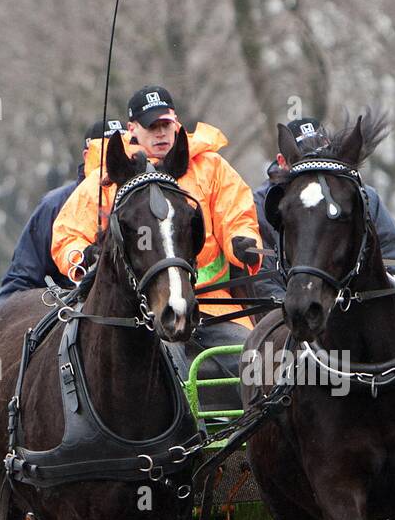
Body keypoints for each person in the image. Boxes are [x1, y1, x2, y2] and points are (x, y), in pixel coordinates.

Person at [51, 85, 263, 397]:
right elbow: (67, 234)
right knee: (165, 375)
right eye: (152, 127)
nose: (161, 134)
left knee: (257, 363)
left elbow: (237, 215)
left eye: (166, 125)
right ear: (133, 129)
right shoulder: (110, 176)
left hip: (215, 308)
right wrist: (81, 255)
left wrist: (242, 242)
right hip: (136, 319)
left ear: (176, 123)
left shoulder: (212, 168)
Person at [252, 116, 395, 302]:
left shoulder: (364, 196)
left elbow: (392, 247)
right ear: (282, 160)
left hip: (359, 308)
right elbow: (262, 274)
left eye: (322, 152)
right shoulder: (259, 205)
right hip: (293, 309)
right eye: (305, 157)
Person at [0, 119, 125, 301]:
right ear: (87, 156)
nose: (115, 161)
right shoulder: (55, 204)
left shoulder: (141, 200)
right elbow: (21, 280)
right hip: (67, 311)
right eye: (107, 154)